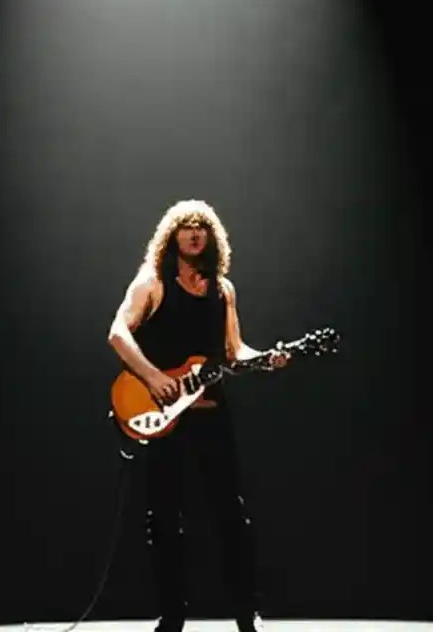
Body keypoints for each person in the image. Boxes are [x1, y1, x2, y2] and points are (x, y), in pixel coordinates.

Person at [107, 199, 290, 632]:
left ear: (212, 238)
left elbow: (234, 351)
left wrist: (267, 358)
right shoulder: (152, 282)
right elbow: (117, 332)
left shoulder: (222, 289)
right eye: (185, 226)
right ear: (172, 235)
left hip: (211, 411)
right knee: (165, 517)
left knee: (230, 513)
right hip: (162, 411)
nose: (193, 233)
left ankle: (247, 613)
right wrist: (152, 377)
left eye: (201, 227)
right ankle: (172, 616)